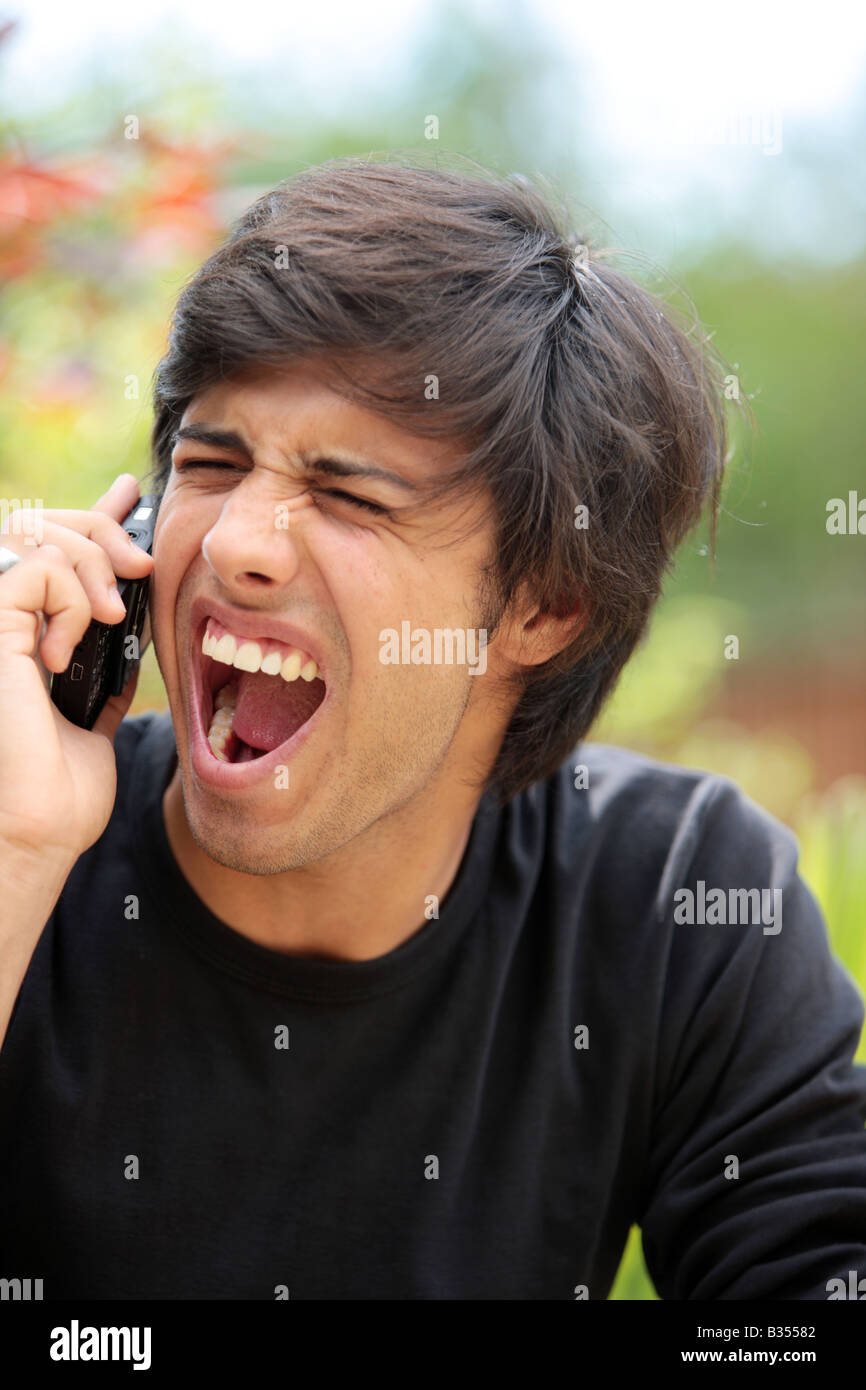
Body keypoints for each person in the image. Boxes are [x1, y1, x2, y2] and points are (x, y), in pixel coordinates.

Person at [1, 156, 864, 1301]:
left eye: (350, 495)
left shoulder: (670, 895)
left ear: (543, 604)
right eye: (212, 463)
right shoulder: (31, 849)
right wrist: (12, 858)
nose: (233, 543)